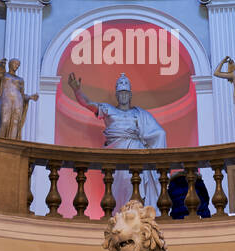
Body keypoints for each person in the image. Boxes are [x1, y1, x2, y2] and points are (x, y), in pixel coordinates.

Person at [66, 70, 166, 211]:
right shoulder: (108, 110)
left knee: (136, 187)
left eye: (126, 93)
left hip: (136, 155)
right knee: (119, 191)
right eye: (120, 93)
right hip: (116, 156)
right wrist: (77, 91)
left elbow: (159, 133)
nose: (123, 96)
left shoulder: (139, 114)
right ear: (117, 95)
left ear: (130, 95)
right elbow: (88, 103)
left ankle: (138, 216)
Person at [0, 57, 37, 139]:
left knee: (15, 123)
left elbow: (22, 95)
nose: (17, 66)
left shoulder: (20, 80)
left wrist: (30, 97)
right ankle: (1, 142)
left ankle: (12, 142)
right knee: (4, 121)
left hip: (18, 101)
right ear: (10, 64)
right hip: (6, 100)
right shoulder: (4, 75)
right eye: (15, 64)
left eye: (18, 65)